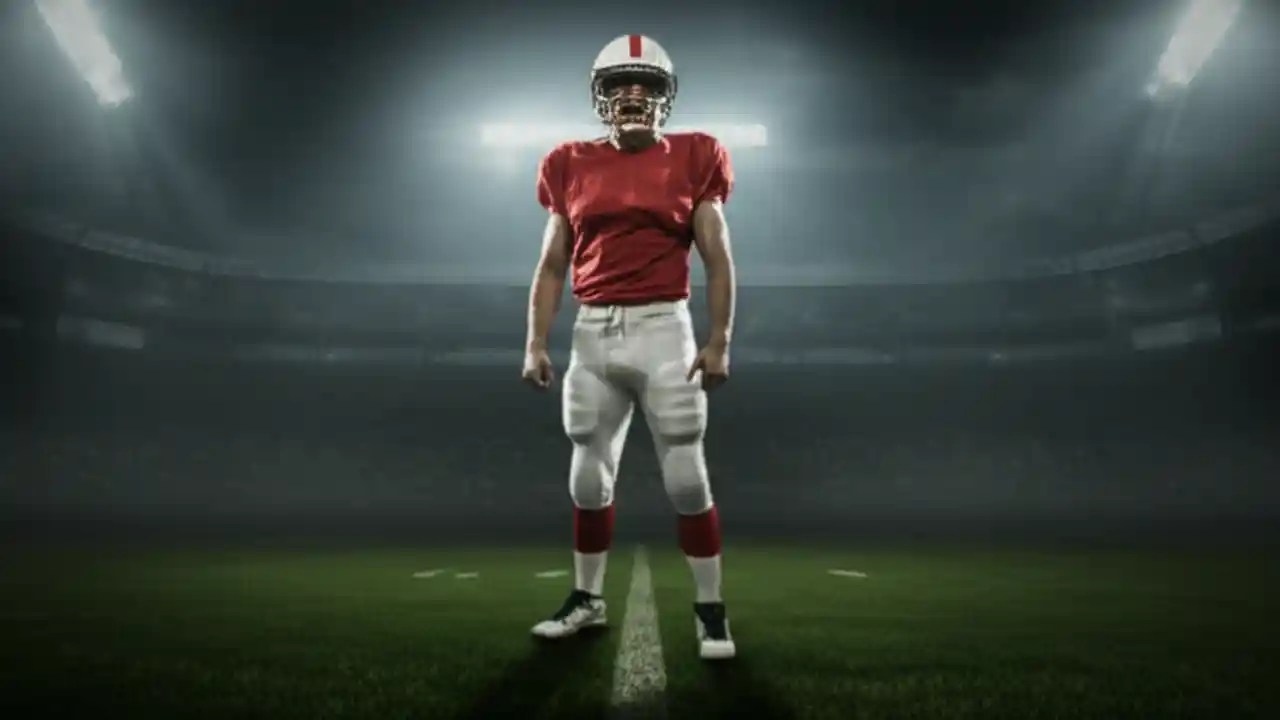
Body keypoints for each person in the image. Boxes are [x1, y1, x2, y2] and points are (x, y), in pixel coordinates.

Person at [521, 33, 738, 660]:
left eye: (646, 86)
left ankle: (710, 610)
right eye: (619, 86)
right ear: (600, 97)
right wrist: (536, 341)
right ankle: (587, 600)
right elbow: (551, 265)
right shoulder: (567, 161)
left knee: (686, 476)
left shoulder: (697, 154)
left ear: (666, 98)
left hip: (665, 328)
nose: (632, 96)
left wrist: (718, 338)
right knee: (587, 471)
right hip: (593, 330)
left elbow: (718, 259)